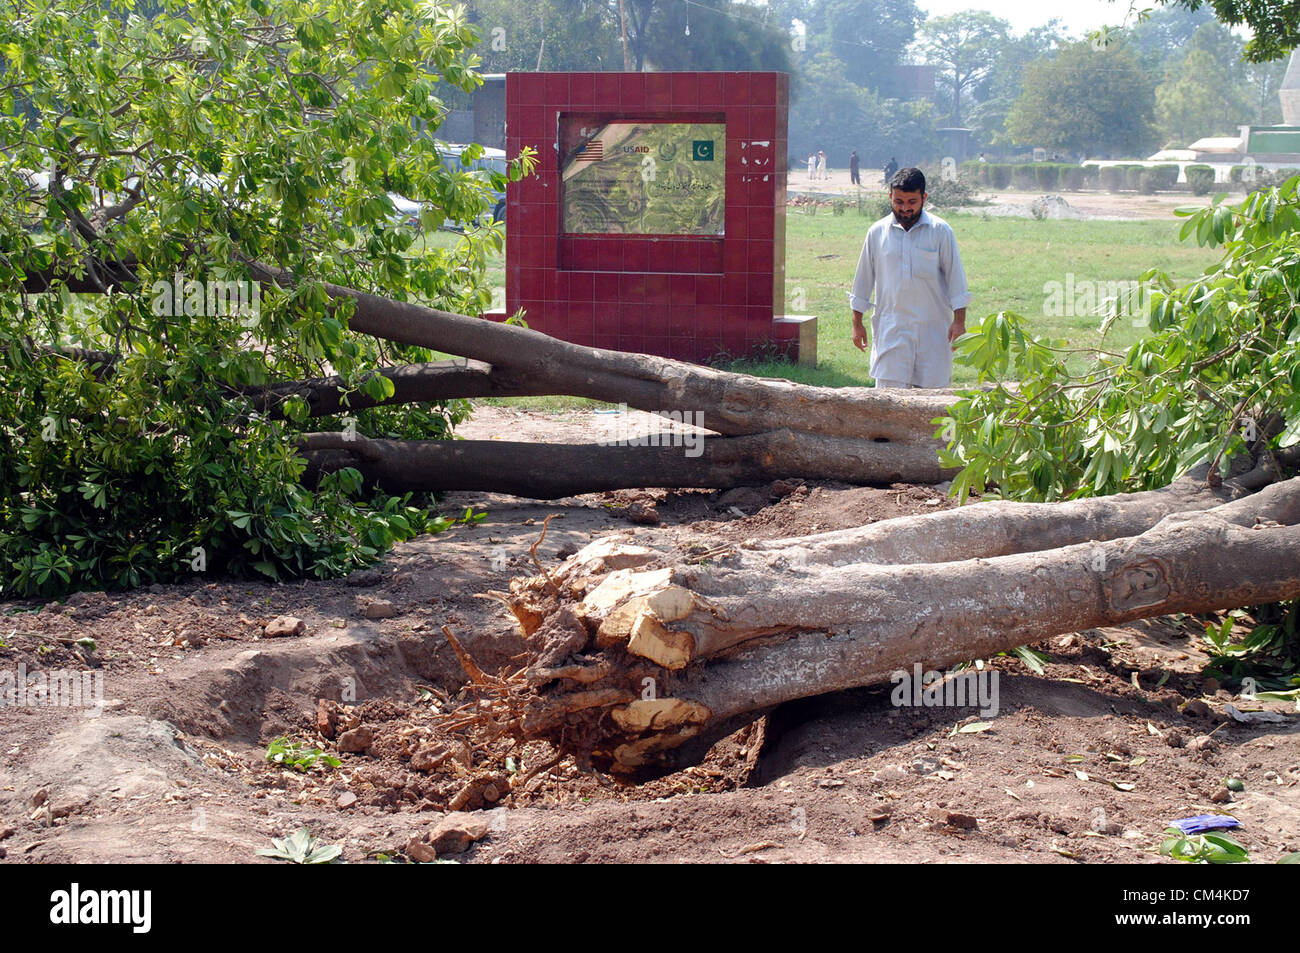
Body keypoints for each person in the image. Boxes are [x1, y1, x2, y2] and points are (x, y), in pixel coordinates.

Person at [848, 167, 972, 389]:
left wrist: (959, 321)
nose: (905, 208)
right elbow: (863, 281)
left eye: (912, 202)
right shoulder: (877, 232)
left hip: (934, 331)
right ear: (890, 198)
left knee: (933, 403)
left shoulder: (941, 231)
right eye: (899, 201)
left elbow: (956, 279)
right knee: (888, 402)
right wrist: (857, 324)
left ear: (924, 197)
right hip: (891, 329)